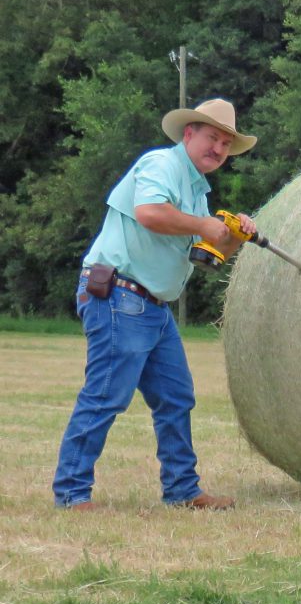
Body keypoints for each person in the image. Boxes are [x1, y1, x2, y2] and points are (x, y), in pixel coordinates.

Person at [53, 98, 258, 511]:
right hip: (120, 294)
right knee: (106, 395)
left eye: (224, 144)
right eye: (211, 138)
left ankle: (182, 491)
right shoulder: (161, 165)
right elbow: (148, 213)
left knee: (177, 397)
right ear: (189, 134)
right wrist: (203, 224)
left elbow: (207, 256)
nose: (217, 149)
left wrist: (237, 234)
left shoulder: (198, 192)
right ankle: (72, 493)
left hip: (152, 306)